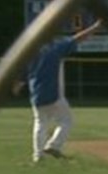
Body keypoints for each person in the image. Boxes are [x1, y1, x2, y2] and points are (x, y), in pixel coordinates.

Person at [14, 19, 102, 163]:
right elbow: (77, 38)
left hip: (36, 93)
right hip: (53, 93)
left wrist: (18, 85)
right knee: (66, 120)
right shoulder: (55, 47)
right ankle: (54, 146)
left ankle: (38, 156)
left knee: (40, 123)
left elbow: (23, 73)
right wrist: (95, 27)